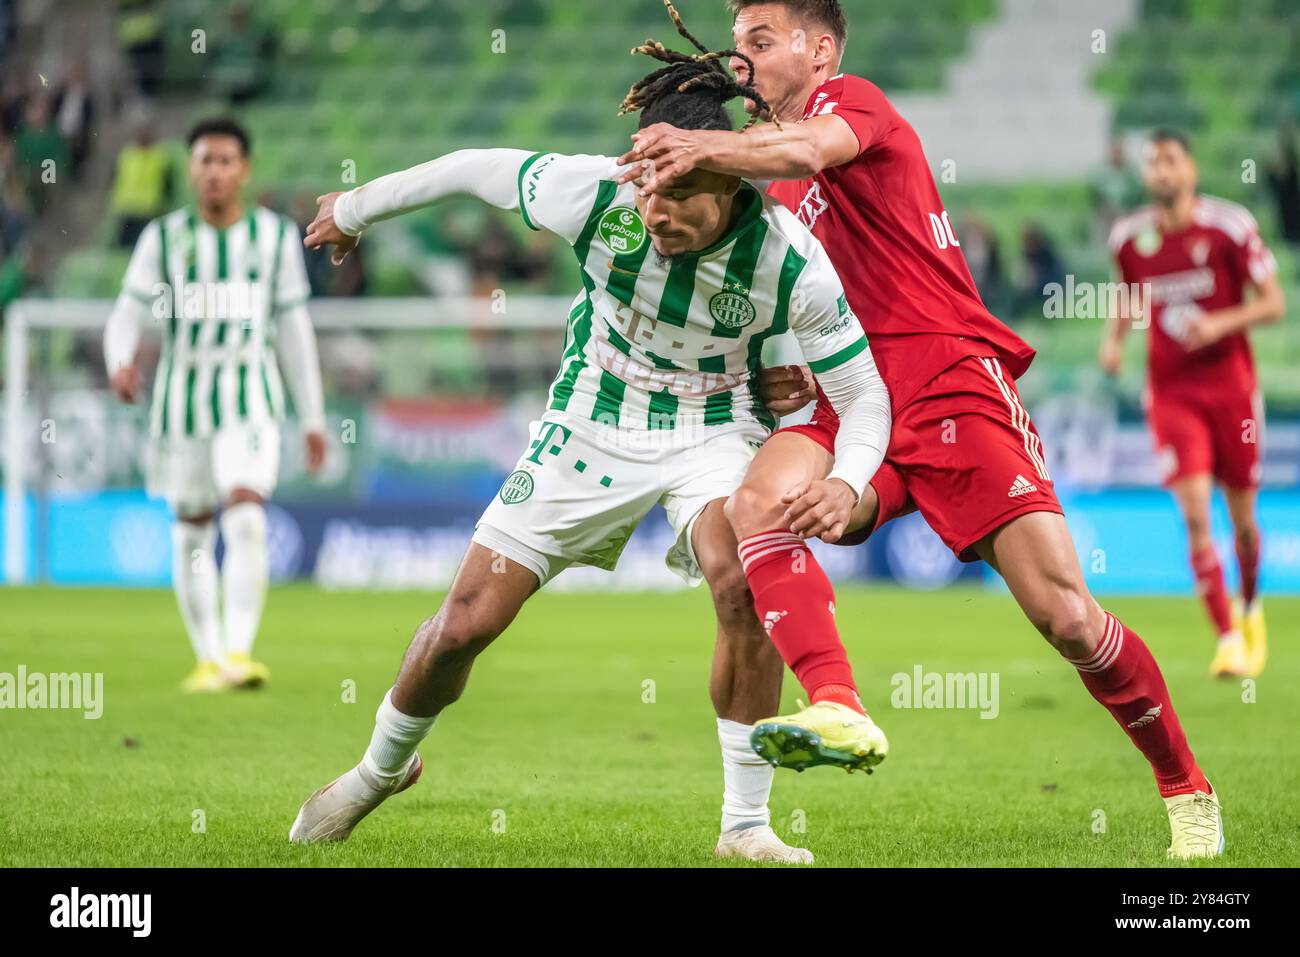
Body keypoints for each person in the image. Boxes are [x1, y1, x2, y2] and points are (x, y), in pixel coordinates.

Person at [622, 0, 1222, 858]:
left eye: (763, 41)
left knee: (1067, 619)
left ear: (820, 50)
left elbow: (804, 147)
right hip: (848, 398)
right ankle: (838, 702)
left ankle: (1186, 787)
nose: (741, 60)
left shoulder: (849, 107)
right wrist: (778, 370)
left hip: (948, 385)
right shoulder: (777, 184)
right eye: (738, 43)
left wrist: (702, 144)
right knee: (759, 502)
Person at [287, 34, 892, 863]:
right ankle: (377, 770)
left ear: (730, 174)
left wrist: (851, 479)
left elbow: (864, 397)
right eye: (649, 190)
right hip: (589, 420)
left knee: (742, 578)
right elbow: (472, 166)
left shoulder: (791, 264)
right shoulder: (595, 191)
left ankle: (744, 825)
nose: (658, 212)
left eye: (681, 194)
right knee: (466, 624)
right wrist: (355, 208)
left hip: (711, 429)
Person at [104, 117, 328, 692]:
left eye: (226, 161)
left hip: (250, 396)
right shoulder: (163, 238)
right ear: (190, 169)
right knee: (192, 528)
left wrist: (313, 418)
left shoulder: (276, 236)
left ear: (245, 170)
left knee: (247, 510)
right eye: (205, 160)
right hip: (182, 401)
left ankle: (238, 653)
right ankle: (207, 660)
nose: (215, 172)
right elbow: (127, 314)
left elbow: (293, 330)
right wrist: (120, 362)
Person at [1103, 129, 1284, 678]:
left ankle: (1250, 608)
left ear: (1191, 170)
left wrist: (1217, 325)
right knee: (1197, 518)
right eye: (1152, 162)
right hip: (1173, 395)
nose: (1160, 170)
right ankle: (1228, 639)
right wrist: (1115, 342)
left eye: (1170, 160)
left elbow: (1273, 303)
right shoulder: (1130, 239)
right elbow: (1130, 296)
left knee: (1244, 523)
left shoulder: (1231, 227)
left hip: (1231, 390)